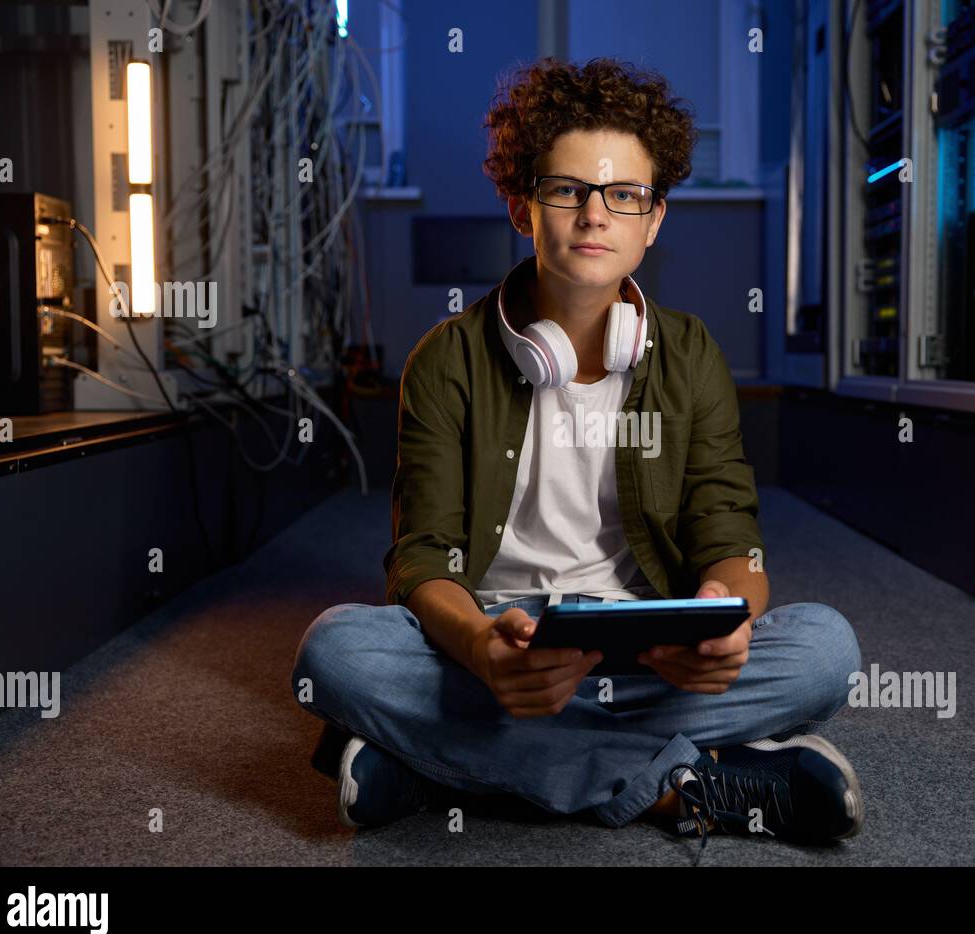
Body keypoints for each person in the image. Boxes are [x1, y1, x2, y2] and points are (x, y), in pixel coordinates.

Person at [292, 57, 863, 862]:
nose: (595, 215)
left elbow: (733, 539)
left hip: (644, 644)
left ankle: (440, 763)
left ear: (653, 218)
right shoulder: (446, 359)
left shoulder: (691, 354)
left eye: (622, 195)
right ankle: (680, 784)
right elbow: (421, 560)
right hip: (498, 641)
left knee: (826, 650)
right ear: (525, 206)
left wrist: (723, 618)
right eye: (567, 189)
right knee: (335, 651)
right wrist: (486, 653)